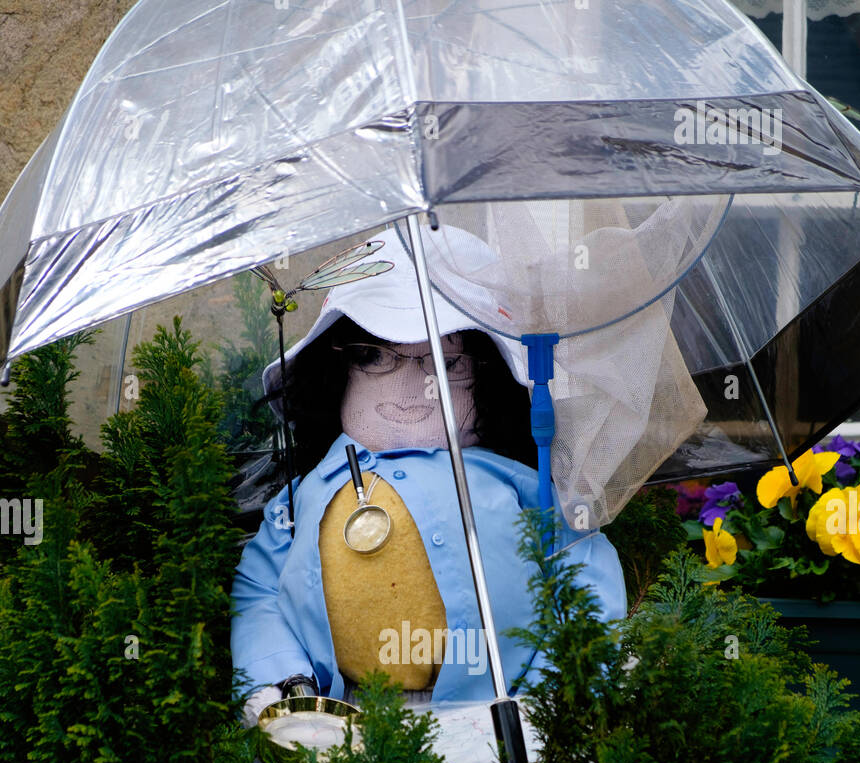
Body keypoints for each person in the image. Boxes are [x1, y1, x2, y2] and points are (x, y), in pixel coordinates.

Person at [231, 225, 626, 723]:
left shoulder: (516, 483)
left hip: (503, 710)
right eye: (375, 355)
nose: (415, 385)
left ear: (487, 375)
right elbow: (260, 588)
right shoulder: (303, 496)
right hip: (347, 716)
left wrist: (559, 680)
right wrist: (280, 678)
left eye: (449, 360)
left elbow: (580, 561)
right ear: (336, 368)